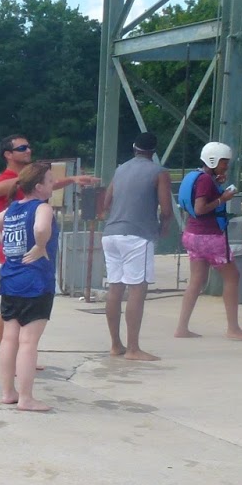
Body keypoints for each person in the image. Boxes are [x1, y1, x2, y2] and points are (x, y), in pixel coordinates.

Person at [0, 134, 97, 345]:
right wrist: (28, 177)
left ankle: (19, 350)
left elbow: (50, 185)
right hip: (17, 249)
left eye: (28, 146)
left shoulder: (29, 183)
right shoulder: (6, 179)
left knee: (28, 304)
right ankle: (8, 349)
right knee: (11, 307)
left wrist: (73, 180)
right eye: (22, 148)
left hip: (34, 252)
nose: (28, 150)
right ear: (8, 154)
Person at [0, 161, 57, 412]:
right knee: (28, 342)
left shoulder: (13, 209)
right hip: (36, 282)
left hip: (10, 280)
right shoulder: (42, 208)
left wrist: (9, 242)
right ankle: (26, 398)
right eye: (50, 180)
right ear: (38, 187)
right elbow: (41, 227)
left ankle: (7, 392)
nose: (54, 183)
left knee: (9, 340)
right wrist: (39, 246)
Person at [97, 130, 172, 360]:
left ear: (134, 147)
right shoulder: (159, 172)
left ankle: (115, 345)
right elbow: (167, 210)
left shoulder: (120, 169)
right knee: (137, 289)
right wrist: (162, 229)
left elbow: (105, 203)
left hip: (111, 234)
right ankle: (133, 349)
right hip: (138, 236)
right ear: (154, 151)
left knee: (115, 288)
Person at [174, 141, 242, 341]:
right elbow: (201, 208)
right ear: (213, 160)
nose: (226, 166)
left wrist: (218, 186)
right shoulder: (205, 181)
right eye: (223, 162)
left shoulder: (199, 176)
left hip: (192, 235)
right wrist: (224, 197)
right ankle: (233, 328)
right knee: (232, 277)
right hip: (209, 237)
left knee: (196, 280)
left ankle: (181, 327)